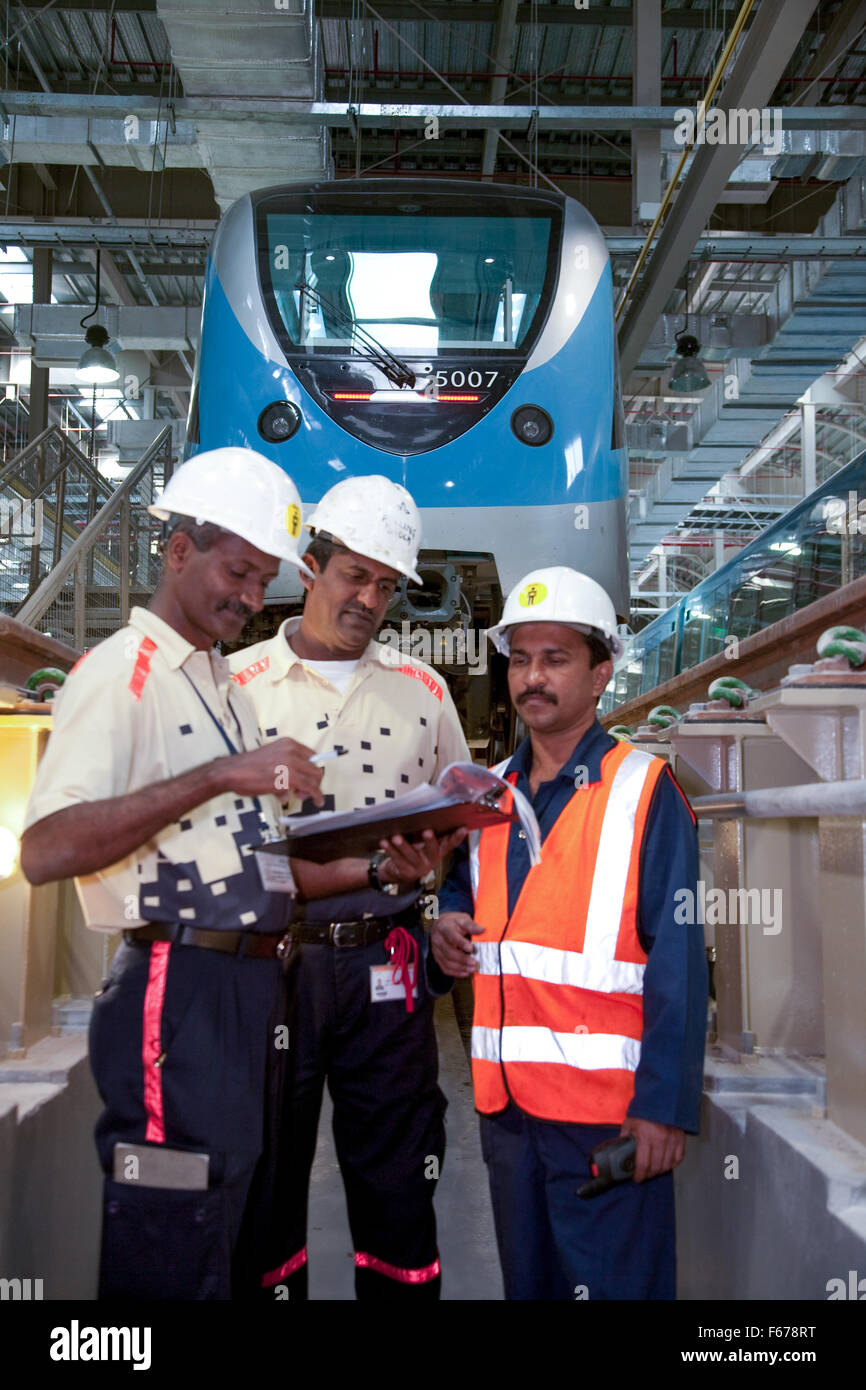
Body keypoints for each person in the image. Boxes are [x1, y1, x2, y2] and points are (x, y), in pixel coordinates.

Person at [20, 446, 333, 1301]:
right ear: (179, 551)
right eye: (236, 571)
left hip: (241, 993)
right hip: (175, 989)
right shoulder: (124, 674)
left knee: (223, 1221)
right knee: (170, 1225)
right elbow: (45, 847)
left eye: (263, 580)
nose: (248, 597)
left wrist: (375, 859)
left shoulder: (222, 685)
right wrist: (224, 774)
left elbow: (235, 858)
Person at [430, 566, 707, 1301]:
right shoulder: (486, 793)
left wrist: (663, 1107)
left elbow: (679, 960)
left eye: (555, 659)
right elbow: (464, 890)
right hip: (508, 1114)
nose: (532, 677)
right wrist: (445, 922)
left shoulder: (645, 790)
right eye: (520, 658)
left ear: (600, 674)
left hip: (607, 1119)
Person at [228, 474, 471, 1300]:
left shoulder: (426, 692)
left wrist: (440, 877)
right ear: (309, 566)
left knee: (398, 1182)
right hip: (270, 968)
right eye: (353, 575)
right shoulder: (235, 686)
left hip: (388, 969)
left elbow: (461, 820)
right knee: (265, 1175)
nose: (369, 597)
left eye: (386, 584)